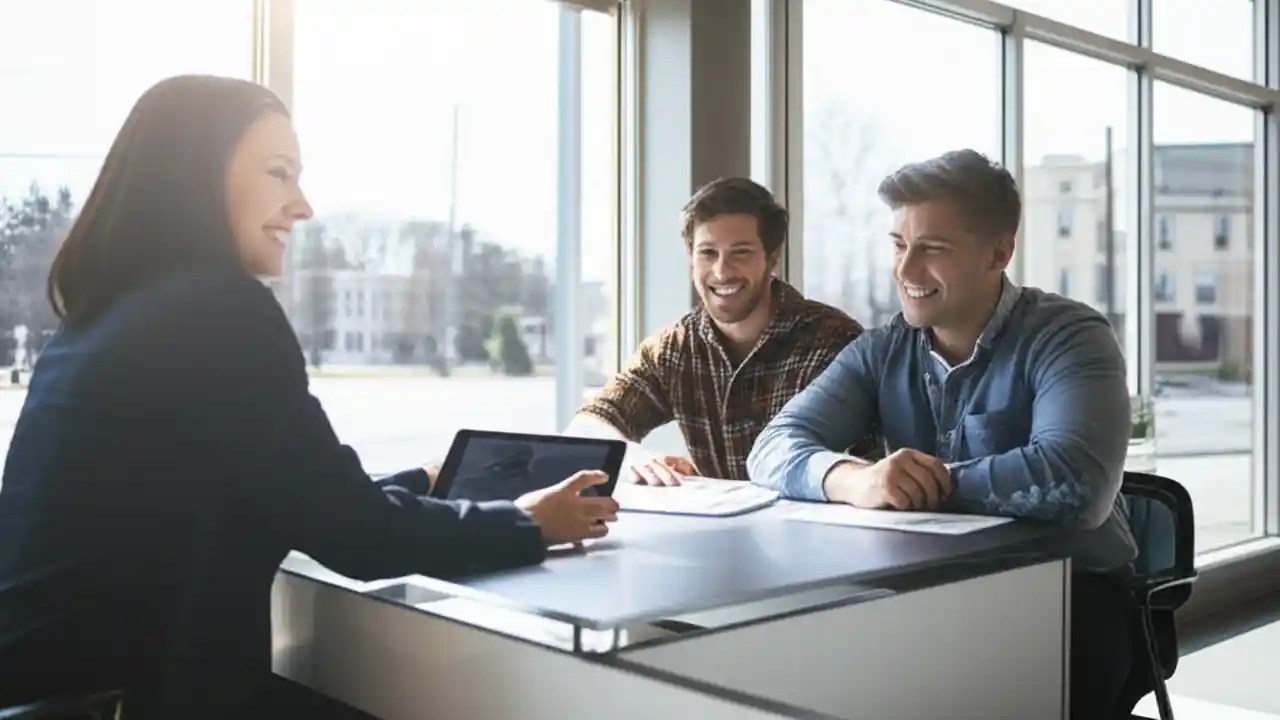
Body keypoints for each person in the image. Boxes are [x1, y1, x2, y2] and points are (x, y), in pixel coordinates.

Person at [0, 75, 618, 718]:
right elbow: (359, 537)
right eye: (279, 173)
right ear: (196, 177)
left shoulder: (106, 317)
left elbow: (279, 494)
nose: (303, 205)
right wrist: (528, 524)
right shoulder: (216, 311)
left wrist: (424, 480)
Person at [747, 149, 1139, 719]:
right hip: (929, 598)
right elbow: (773, 446)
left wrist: (921, 485)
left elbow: (1078, 482)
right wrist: (855, 480)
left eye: (933, 249)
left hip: (1069, 599)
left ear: (998, 253)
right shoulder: (881, 350)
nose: (906, 271)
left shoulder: (1069, 336)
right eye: (899, 246)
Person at [568, 177, 868, 485]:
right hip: (718, 528)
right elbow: (589, 423)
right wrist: (633, 457)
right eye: (707, 253)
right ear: (690, 257)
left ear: (772, 258)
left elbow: (871, 468)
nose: (722, 271)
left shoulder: (834, 342)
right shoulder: (674, 349)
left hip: (816, 529)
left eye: (740, 253)